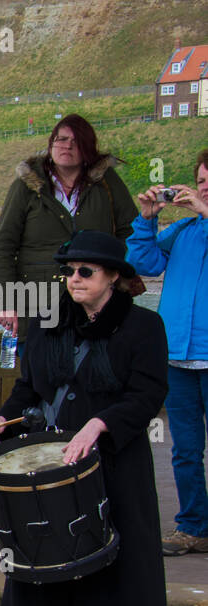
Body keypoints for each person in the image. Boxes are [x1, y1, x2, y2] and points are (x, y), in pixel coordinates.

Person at [0, 230, 168, 606]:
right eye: (68, 271)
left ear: (113, 278)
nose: (74, 279)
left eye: (85, 271)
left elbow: (148, 394)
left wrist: (100, 424)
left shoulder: (144, 327)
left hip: (115, 462)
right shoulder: (47, 324)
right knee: (43, 563)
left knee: (120, 566)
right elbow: (28, 388)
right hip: (50, 464)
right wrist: (2, 417)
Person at [0, 114, 138, 342]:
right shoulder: (25, 186)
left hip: (96, 304)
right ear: (50, 144)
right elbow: (3, 247)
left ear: (88, 148)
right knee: (39, 374)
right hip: (37, 302)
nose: (67, 145)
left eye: (76, 141)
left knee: (97, 372)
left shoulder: (107, 183)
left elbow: (132, 232)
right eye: (61, 139)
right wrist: (7, 302)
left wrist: (114, 276)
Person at [127, 149, 208, 556]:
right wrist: (147, 217)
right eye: (202, 181)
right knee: (186, 450)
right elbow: (142, 262)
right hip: (179, 358)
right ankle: (193, 527)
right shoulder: (184, 231)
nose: (205, 189)